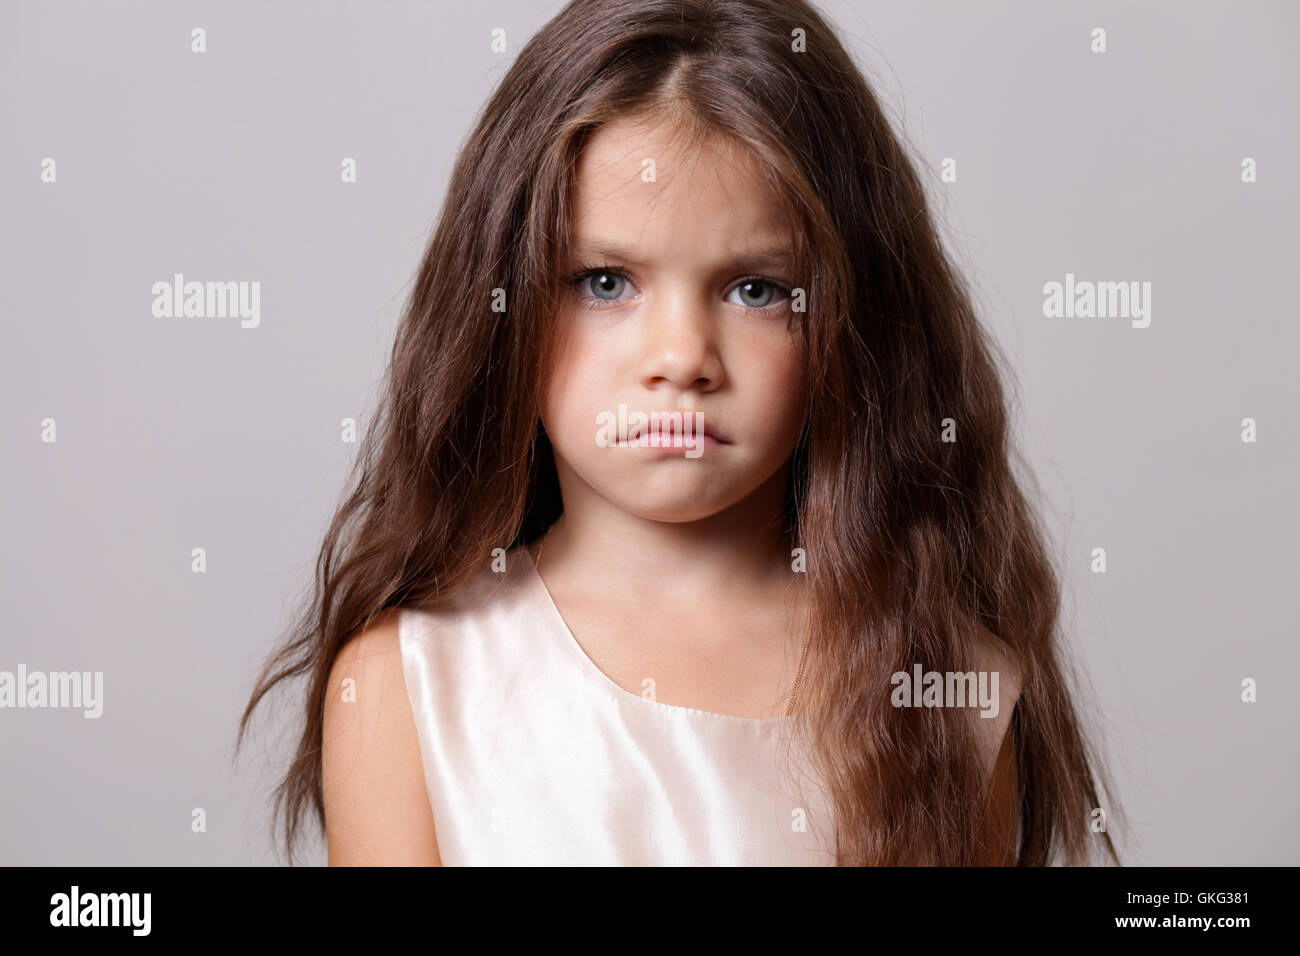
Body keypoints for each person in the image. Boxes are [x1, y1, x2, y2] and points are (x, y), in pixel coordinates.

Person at [239, 0, 1120, 866]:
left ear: (856, 322)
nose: (683, 357)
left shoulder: (948, 693)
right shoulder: (409, 684)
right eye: (606, 282)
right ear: (501, 300)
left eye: (756, 290)